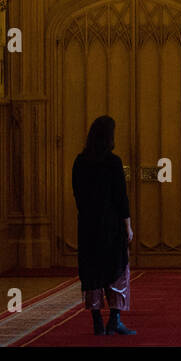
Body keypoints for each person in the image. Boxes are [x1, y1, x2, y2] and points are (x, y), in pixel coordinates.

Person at [72, 115, 136, 336]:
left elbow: (77, 195)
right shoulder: (113, 162)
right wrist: (127, 226)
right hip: (111, 225)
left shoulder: (80, 161)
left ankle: (97, 321)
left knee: (93, 272)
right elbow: (121, 198)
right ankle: (115, 319)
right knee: (117, 270)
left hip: (88, 226)